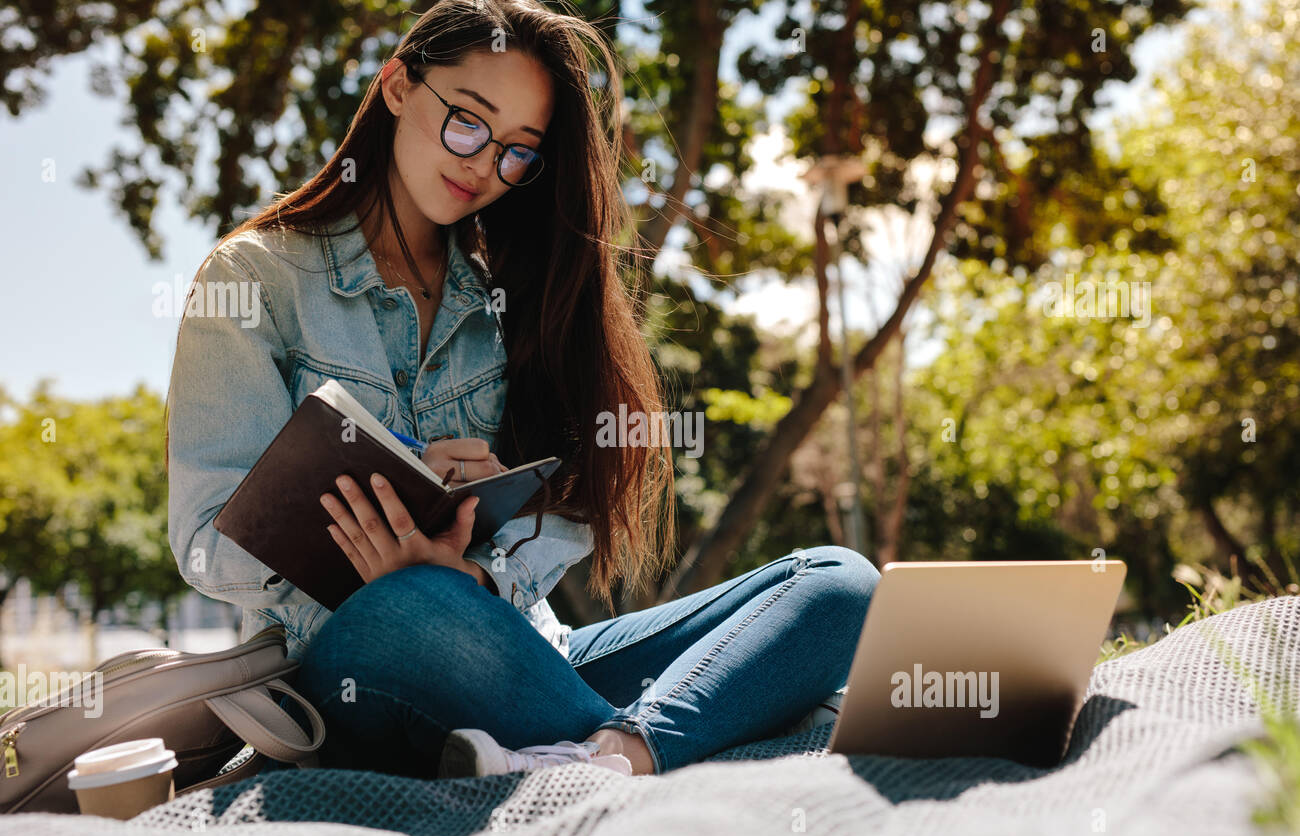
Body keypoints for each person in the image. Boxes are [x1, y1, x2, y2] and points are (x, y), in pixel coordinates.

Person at [165, 0, 879, 779]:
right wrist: (370, 557)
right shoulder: (254, 279)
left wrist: (473, 570)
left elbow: (560, 515)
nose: (483, 166)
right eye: (468, 122)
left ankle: (619, 754)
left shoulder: (510, 295)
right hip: (357, 654)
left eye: (517, 153)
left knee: (840, 584)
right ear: (399, 85)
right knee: (411, 606)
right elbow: (203, 537)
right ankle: (678, 742)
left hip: (529, 650)